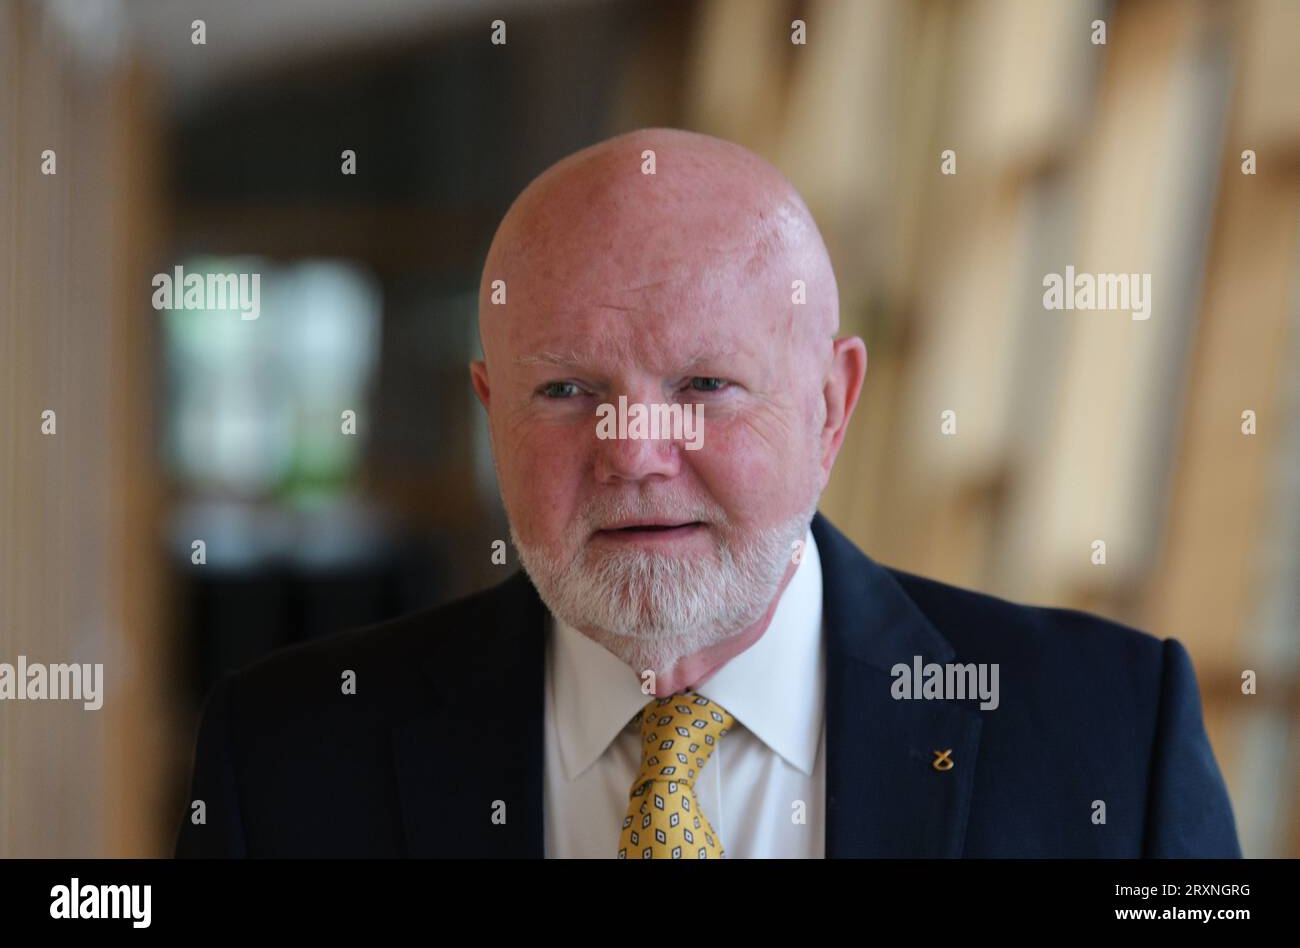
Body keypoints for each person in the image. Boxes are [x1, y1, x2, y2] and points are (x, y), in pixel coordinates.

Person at [175, 127, 1240, 858]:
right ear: (489, 409)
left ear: (832, 403)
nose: (636, 451)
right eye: (567, 389)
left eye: (703, 385)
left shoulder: (1108, 735)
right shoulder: (286, 759)